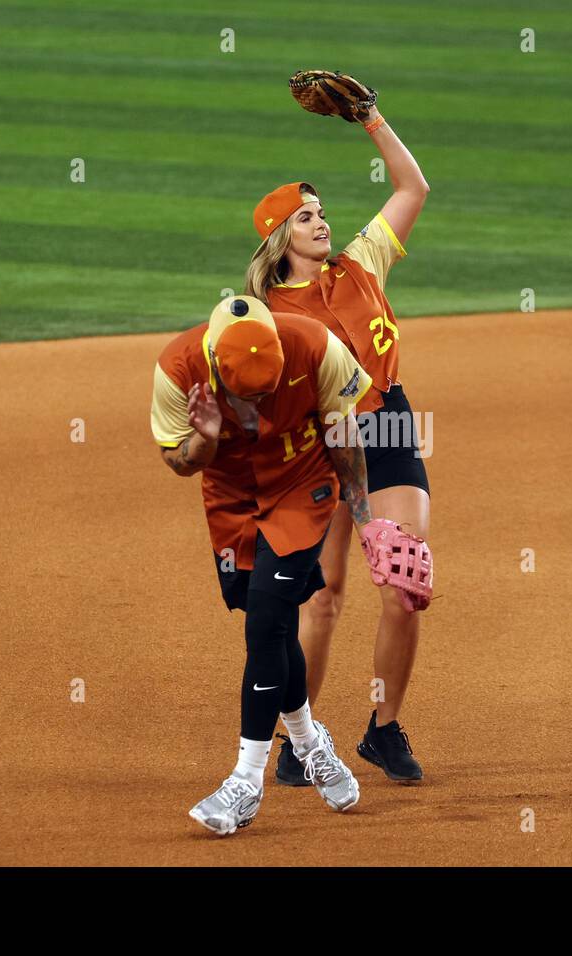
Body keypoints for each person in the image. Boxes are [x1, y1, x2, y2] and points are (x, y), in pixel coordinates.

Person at [244, 101, 432, 784]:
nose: (321, 221)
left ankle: (384, 729)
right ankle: (299, 738)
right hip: (320, 448)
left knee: (405, 581)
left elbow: (414, 187)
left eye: (321, 211)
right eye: (305, 216)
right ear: (278, 239)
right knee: (322, 597)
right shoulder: (266, 318)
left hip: (387, 425)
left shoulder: (362, 264)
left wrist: (373, 118)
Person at [152, 294, 378, 835]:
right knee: (273, 629)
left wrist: (368, 522)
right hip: (231, 501)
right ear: (215, 370)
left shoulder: (315, 346)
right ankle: (309, 741)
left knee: (265, 625)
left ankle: (245, 783)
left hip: (304, 488)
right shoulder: (176, 370)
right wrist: (204, 440)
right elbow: (178, 464)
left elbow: (344, 434)